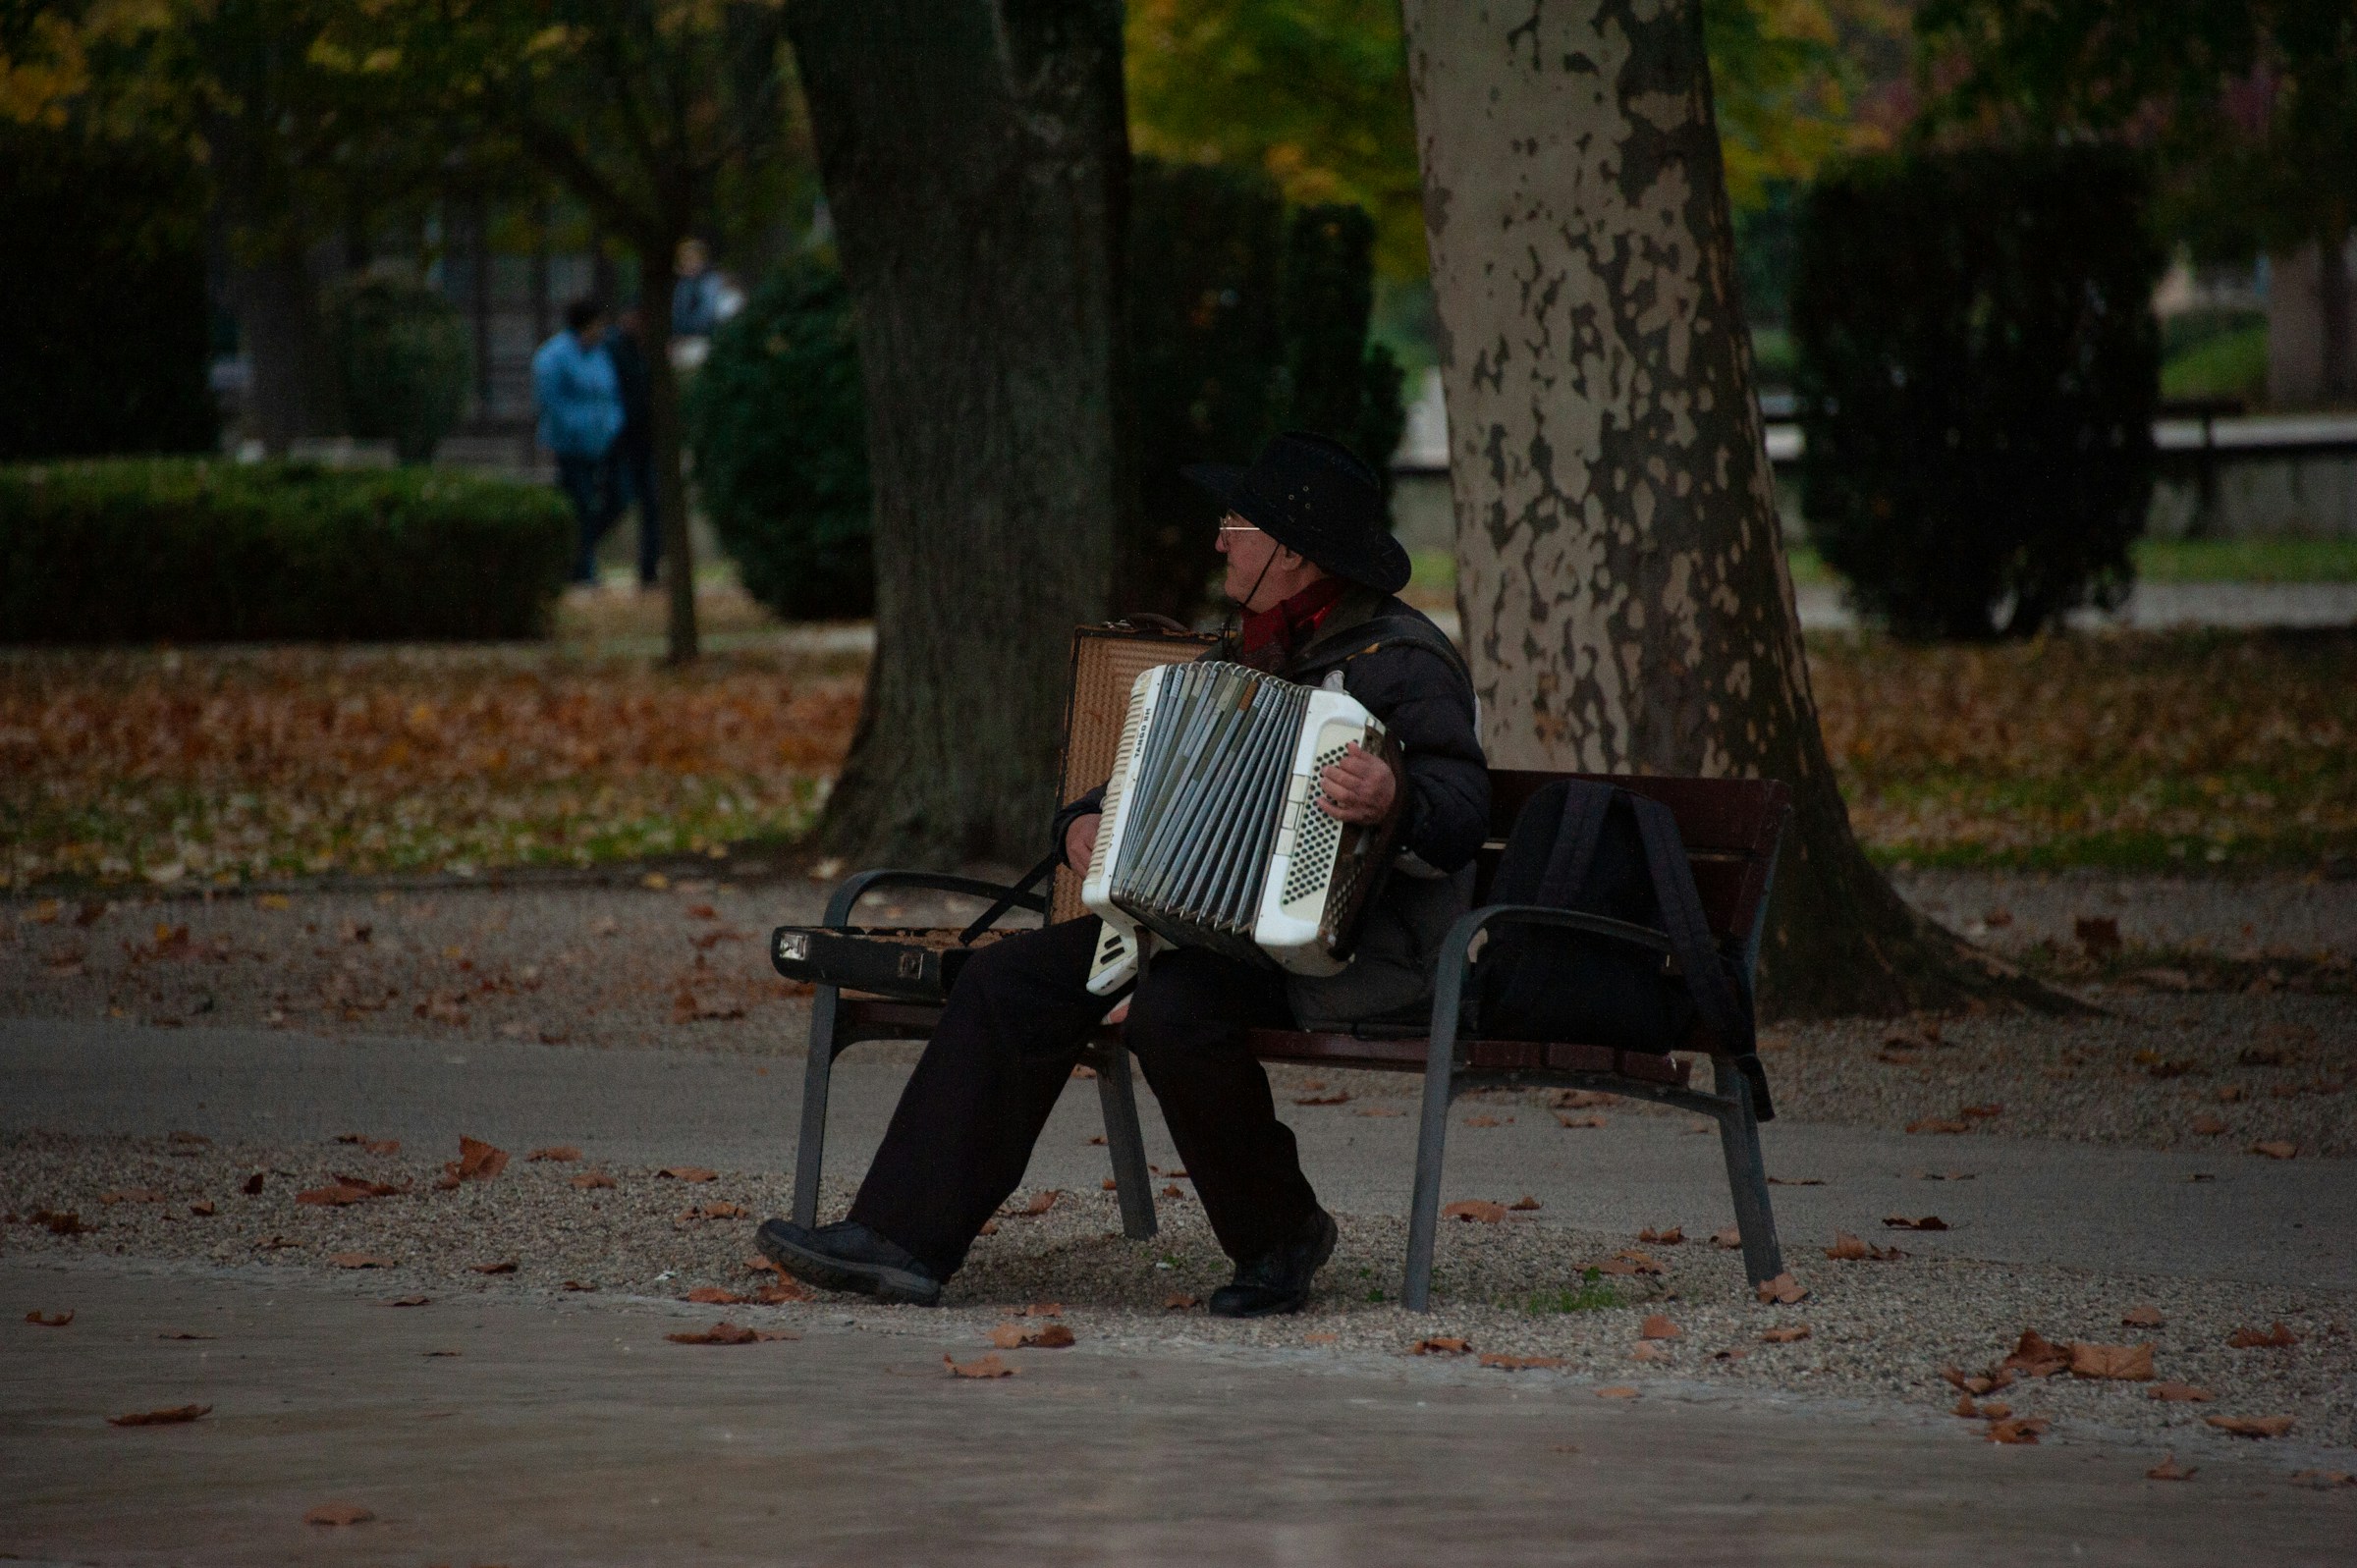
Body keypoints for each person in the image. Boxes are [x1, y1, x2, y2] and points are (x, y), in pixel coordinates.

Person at [756, 432, 1489, 1318]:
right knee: (1006, 978)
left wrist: (1393, 797)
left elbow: (1460, 819)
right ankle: (899, 1238)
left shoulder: (1405, 663)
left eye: (1236, 525)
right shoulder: (1251, 651)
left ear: (1291, 553)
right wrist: (1083, 823)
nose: (1220, 541)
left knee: (1176, 1013)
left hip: (1357, 950)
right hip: (1208, 933)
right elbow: (1147, 776)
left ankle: (1278, 1236)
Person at [532, 297, 624, 585]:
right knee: (582, 504)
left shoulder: (600, 354)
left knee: (612, 500)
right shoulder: (554, 357)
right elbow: (552, 403)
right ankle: (582, 568)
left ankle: (579, 558)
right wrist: (578, 429)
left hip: (601, 444)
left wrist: (610, 426)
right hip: (570, 447)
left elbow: (610, 394)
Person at [604, 305, 662, 590]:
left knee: (652, 503)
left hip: (643, 439)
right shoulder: (614, 349)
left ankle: (649, 570)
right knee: (619, 499)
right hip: (622, 441)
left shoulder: (643, 350)